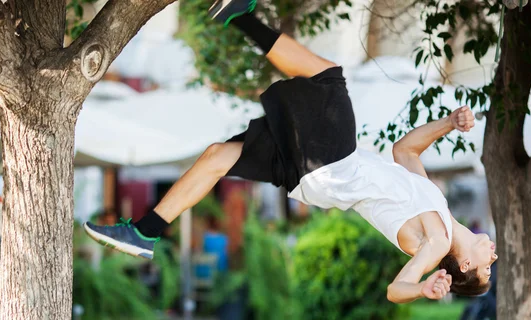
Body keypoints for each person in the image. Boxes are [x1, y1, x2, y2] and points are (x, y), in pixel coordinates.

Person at [84, 0, 498, 303]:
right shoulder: (438, 212)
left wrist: (422, 288)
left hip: (334, 163)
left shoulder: (437, 243)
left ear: (463, 266)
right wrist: (447, 123)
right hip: (320, 174)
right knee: (216, 156)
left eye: (486, 267)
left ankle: (239, 15)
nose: (493, 255)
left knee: (327, 76)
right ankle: (144, 232)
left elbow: (395, 290)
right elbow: (405, 151)